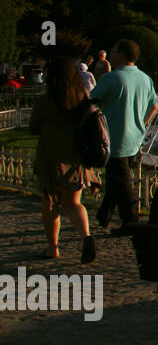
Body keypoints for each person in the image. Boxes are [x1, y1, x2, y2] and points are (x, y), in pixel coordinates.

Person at [29, 57, 101, 260]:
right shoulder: (82, 97)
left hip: (51, 158)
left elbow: (33, 128)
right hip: (76, 158)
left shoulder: (46, 101)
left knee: (50, 203)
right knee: (74, 203)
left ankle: (53, 247)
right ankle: (86, 236)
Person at [90, 39, 158, 239]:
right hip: (135, 137)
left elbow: (92, 103)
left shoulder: (111, 78)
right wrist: (142, 123)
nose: (110, 54)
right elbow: (154, 105)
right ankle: (104, 215)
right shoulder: (145, 78)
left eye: (113, 50)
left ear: (121, 54)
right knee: (116, 178)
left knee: (122, 181)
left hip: (114, 138)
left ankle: (131, 221)